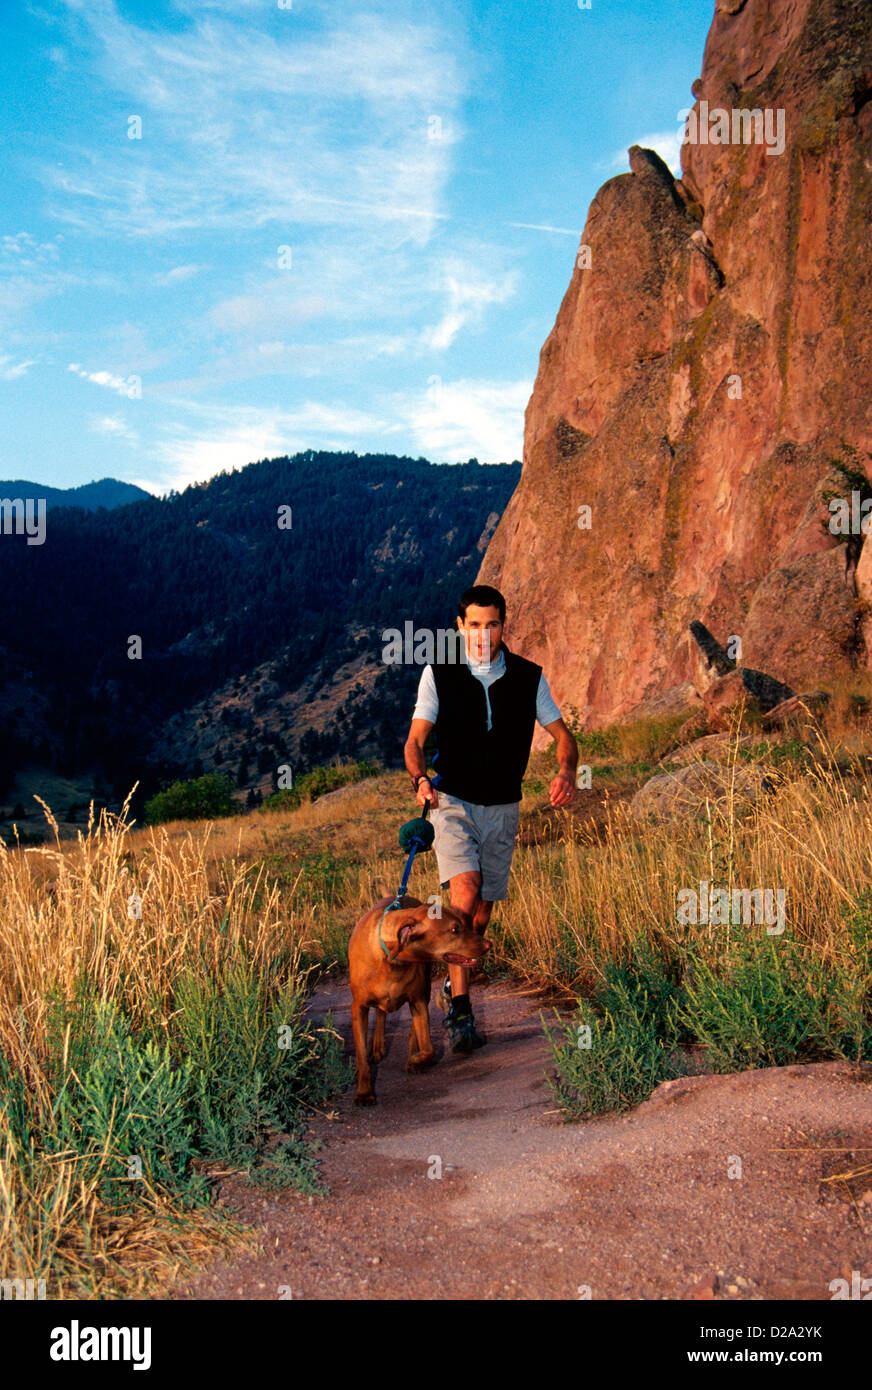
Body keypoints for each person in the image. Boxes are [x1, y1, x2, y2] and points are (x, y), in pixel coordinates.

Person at [403, 583, 577, 1052]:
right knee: (467, 890)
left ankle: (450, 986)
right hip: (452, 800)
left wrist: (566, 771)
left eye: (492, 624)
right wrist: (420, 779)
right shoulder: (438, 674)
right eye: (474, 625)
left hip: (504, 805)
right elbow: (415, 741)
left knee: (477, 922)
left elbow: (563, 735)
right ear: (460, 627)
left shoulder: (527, 677)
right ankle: (462, 1015)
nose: (483, 634)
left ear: (504, 625)